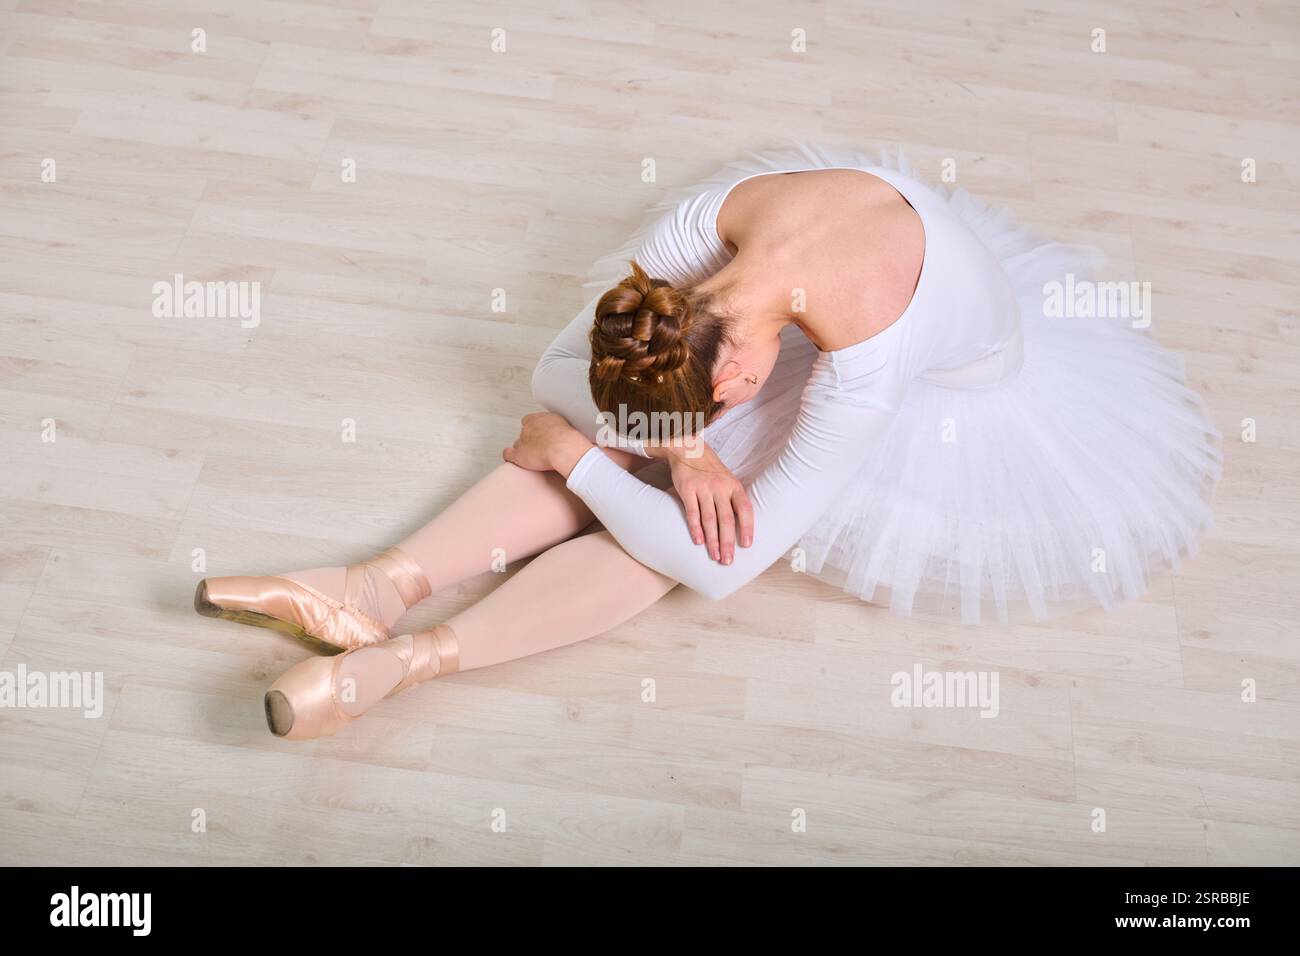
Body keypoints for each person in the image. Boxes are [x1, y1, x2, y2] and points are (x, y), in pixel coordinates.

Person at [195, 145, 1221, 740]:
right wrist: (665, 446)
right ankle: (373, 585)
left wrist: (586, 455)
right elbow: (567, 370)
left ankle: (413, 661)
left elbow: (719, 567)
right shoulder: (695, 245)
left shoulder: (858, 370)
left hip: (949, 381)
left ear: (737, 377)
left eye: (710, 409)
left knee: (685, 533)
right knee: (630, 447)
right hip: (805, 290)